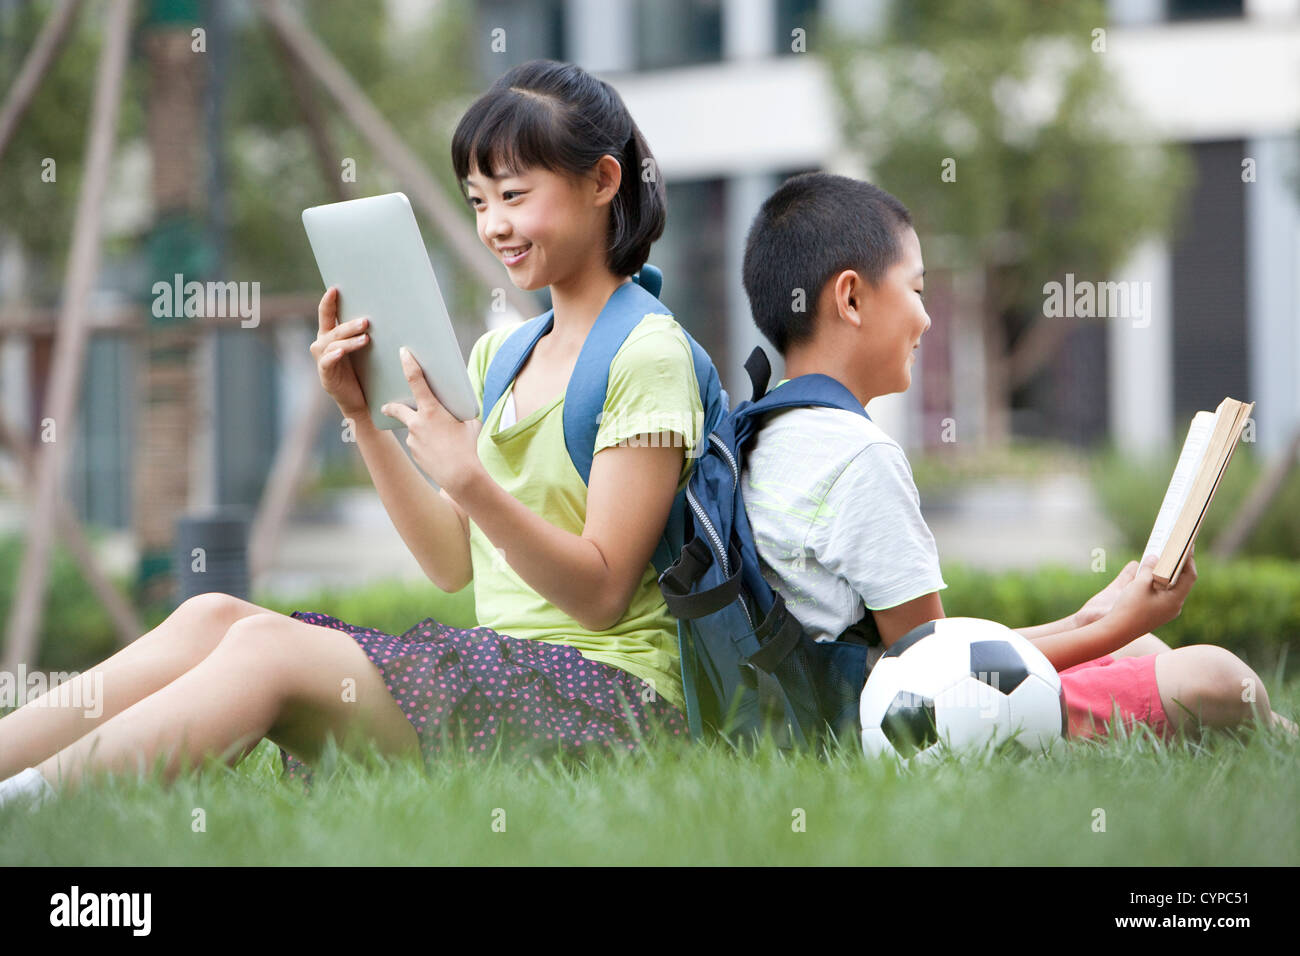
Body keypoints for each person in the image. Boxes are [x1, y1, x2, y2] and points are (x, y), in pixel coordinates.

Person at [0, 59, 702, 812]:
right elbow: (448, 562)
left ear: (602, 182)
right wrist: (362, 415)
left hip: (610, 704)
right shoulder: (503, 355)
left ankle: (33, 808)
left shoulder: (647, 354)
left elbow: (599, 594)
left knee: (266, 648)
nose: (493, 223)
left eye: (514, 195)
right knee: (211, 615)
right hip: (509, 677)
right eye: (477, 200)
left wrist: (467, 478)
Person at [737, 171, 1298, 743]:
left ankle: (1270, 739)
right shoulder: (859, 456)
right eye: (918, 290)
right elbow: (941, 672)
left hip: (834, 709)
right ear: (852, 298)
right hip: (902, 733)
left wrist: (1091, 621)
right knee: (1216, 675)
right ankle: (1279, 741)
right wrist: (1124, 621)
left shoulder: (766, 429)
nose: (927, 319)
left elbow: (939, 650)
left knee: (1139, 646)